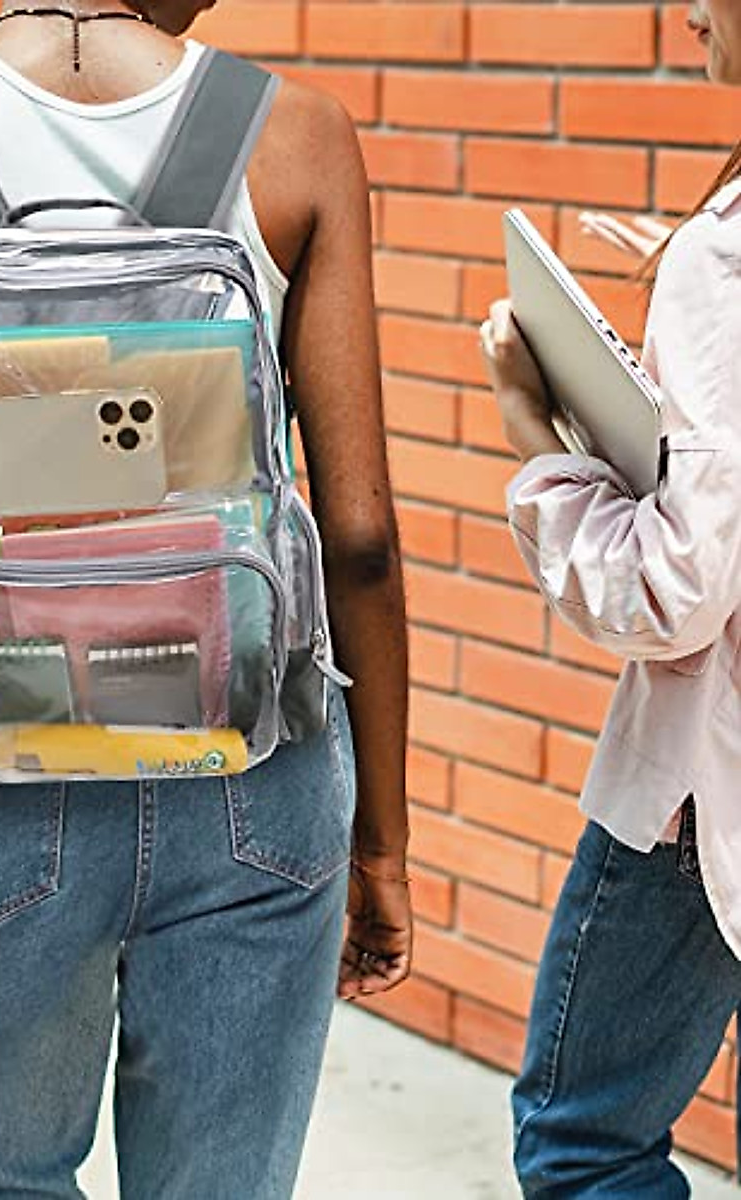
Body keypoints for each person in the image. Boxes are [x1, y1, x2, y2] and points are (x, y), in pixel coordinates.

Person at [0, 3, 412, 1196]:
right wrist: (381, 843)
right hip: (257, 762)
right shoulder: (295, 137)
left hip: (6, 753)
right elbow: (357, 540)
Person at [479, 1, 741, 1193]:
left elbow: (676, 590)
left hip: (707, 785)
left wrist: (540, 430)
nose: (689, 11)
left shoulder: (724, 259)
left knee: (587, 1143)